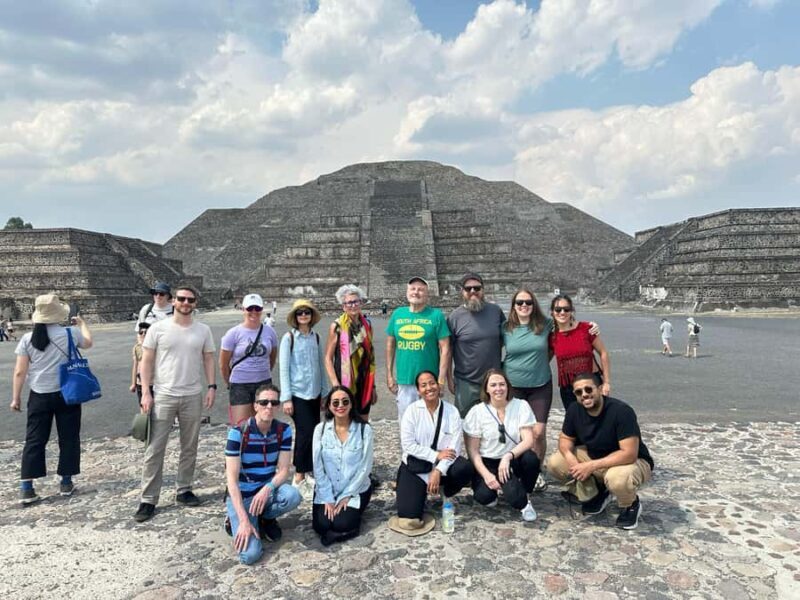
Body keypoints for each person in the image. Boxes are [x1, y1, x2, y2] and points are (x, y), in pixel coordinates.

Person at [134, 284, 217, 523]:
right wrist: (146, 392)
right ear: (173, 302)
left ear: (195, 303)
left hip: (192, 394)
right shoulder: (158, 329)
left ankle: (184, 489)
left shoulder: (203, 330)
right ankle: (148, 499)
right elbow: (146, 361)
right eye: (181, 299)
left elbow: (208, 359)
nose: (185, 303)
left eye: (190, 300)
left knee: (189, 445)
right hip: (163, 395)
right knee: (154, 448)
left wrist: (212, 387)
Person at [10, 294, 93, 504]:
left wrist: (16, 398)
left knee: (35, 439)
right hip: (67, 393)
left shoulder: (28, 339)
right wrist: (82, 324)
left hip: (39, 394)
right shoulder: (70, 333)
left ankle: (27, 487)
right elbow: (88, 343)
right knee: (69, 437)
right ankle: (66, 482)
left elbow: (20, 372)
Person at [545, 372, 654, 529]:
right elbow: (565, 439)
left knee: (617, 478)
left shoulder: (621, 412)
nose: (584, 395)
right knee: (555, 463)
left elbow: (629, 453)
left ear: (601, 388)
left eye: (589, 389)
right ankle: (597, 492)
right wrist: (572, 460)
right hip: (596, 456)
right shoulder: (574, 410)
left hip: (631, 461)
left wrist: (590, 466)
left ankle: (630, 504)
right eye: (578, 392)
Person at [225, 384, 302, 564]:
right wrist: (244, 520)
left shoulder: (283, 430)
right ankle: (235, 519)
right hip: (243, 497)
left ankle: (265, 518)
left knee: (293, 495)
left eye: (274, 403)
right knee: (250, 556)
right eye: (264, 402)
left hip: (266, 493)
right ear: (255, 405)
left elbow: (284, 470)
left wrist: (268, 488)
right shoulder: (238, 433)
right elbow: (231, 480)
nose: (269, 406)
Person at [395, 371, 473, 526]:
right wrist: (435, 455)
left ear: (438, 385)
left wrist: (438, 470)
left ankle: (446, 492)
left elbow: (454, 448)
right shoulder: (411, 411)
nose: (429, 388)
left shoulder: (452, 412)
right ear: (418, 390)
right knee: (408, 514)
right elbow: (408, 445)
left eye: (432, 383)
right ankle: (420, 490)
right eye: (423, 385)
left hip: (444, 466)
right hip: (417, 465)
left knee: (464, 468)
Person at [464, 369, 540, 521]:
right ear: (486, 389)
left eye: (502, 384)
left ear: (508, 386)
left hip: (512, 458)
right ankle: (498, 488)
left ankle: (524, 495)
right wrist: (487, 475)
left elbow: (528, 440)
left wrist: (508, 456)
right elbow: (473, 451)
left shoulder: (521, 405)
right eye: (493, 385)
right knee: (485, 498)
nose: (498, 389)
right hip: (488, 461)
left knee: (530, 460)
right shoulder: (477, 411)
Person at [502, 288, 553, 493]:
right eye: (520, 302)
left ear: (534, 305)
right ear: (513, 305)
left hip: (540, 384)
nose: (524, 306)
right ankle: (514, 467)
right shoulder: (505, 328)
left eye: (528, 302)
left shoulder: (546, 324)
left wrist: (591, 327)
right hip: (513, 386)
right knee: (515, 432)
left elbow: (569, 326)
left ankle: (536, 470)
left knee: (538, 432)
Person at [312, 386, 373, 546]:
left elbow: (365, 468)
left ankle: (352, 524)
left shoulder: (364, 430)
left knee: (342, 524)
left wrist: (347, 495)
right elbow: (317, 466)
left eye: (345, 401)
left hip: (355, 489)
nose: (341, 405)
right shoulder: (321, 429)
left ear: (351, 404)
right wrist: (327, 497)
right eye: (336, 402)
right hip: (328, 488)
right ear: (329, 406)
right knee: (321, 525)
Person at [280, 299, 328, 498]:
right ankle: (299, 474)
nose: (303, 316)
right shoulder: (288, 338)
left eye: (306, 312)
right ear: (295, 317)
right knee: (304, 433)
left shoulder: (316, 337)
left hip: (315, 393)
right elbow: (283, 368)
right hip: (298, 393)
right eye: (300, 313)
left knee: (313, 432)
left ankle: (308, 470)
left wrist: (325, 392)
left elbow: (320, 365)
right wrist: (286, 398)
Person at [386, 277, 451, 424]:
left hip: (430, 382)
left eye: (421, 289)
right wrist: (389, 375)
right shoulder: (397, 314)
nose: (416, 292)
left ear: (427, 294)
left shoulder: (436, 316)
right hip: (405, 380)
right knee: (407, 423)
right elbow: (390, 345)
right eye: (413, 289)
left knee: (432, 422)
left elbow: (445, 349)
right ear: (407, 292)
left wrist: (441, 380)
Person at [446, 273, 504, 418]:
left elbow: (504, 340)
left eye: (477, 288)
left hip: (493, 381)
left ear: (483, 290)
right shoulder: (455, 317)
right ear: (462, 291)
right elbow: (448, 351)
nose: (473, 291)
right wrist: (449, 379)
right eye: (468, 288)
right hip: (466, 382)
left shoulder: (496, 311)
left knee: (497, 423)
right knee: (466, 424)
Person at [220, 293, 279, 425]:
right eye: (250, 308)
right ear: (243, 310)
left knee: (263, 424)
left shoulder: (270, 332)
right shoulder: (233, 333)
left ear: (262, 310)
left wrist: (262, 371)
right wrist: (229, 383)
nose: (254, 312)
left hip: (264, 383)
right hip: (240, 384)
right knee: (241, 426)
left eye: (257, 309)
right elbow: (223, 364)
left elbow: (272, 357)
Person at [549, 294, 611, 411]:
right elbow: (543, 360)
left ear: (572, 311)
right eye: (558, 309)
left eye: (566, 309)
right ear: (552, 312)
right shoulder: (552, 337)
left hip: (592, 384)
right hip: (569, 389)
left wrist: (607, 382)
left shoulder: (586, 329)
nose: (562, 312)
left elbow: (603, 353)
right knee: (577, 423)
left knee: (599, 420)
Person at [324, 284, 376, 420]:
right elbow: (328, 358)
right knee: (345, 420)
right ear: (343, 306)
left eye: (356, 302)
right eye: (349, 303)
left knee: (364, 420)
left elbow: (370, 356)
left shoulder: (367, 325)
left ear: (360, 303)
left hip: (364, 379)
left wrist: (373, 386)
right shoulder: (337, 326)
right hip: (344, 379)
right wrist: (335, 384)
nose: (353, 305)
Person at [129, 322, 151, 406]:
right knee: (143, 407)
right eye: (141, 332)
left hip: (154, 383)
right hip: (140, 383)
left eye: (146, 333)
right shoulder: (137, 348)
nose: (143, 334)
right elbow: (135, 366)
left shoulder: (155, 347)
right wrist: (133, 383)